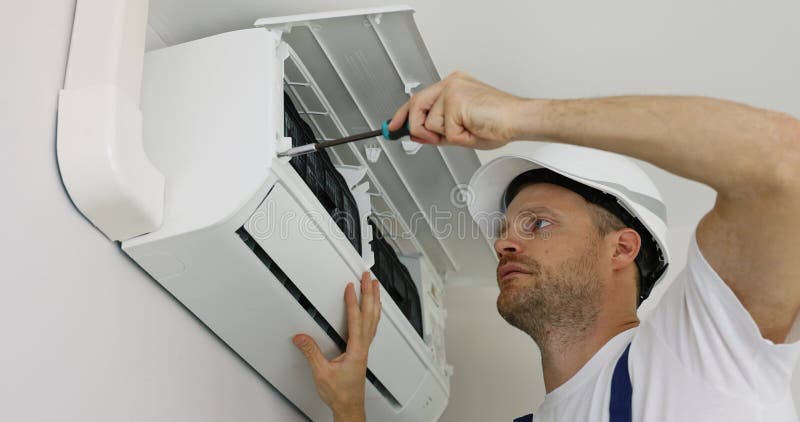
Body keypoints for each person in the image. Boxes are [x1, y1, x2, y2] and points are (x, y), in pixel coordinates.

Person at [291, 71, 800, 421]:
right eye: (505, 230)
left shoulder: (700, 353)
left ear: (621, 249)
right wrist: (349, 406)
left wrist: (516, 116)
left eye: (536, 224)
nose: (504, 244)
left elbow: (785, 164)